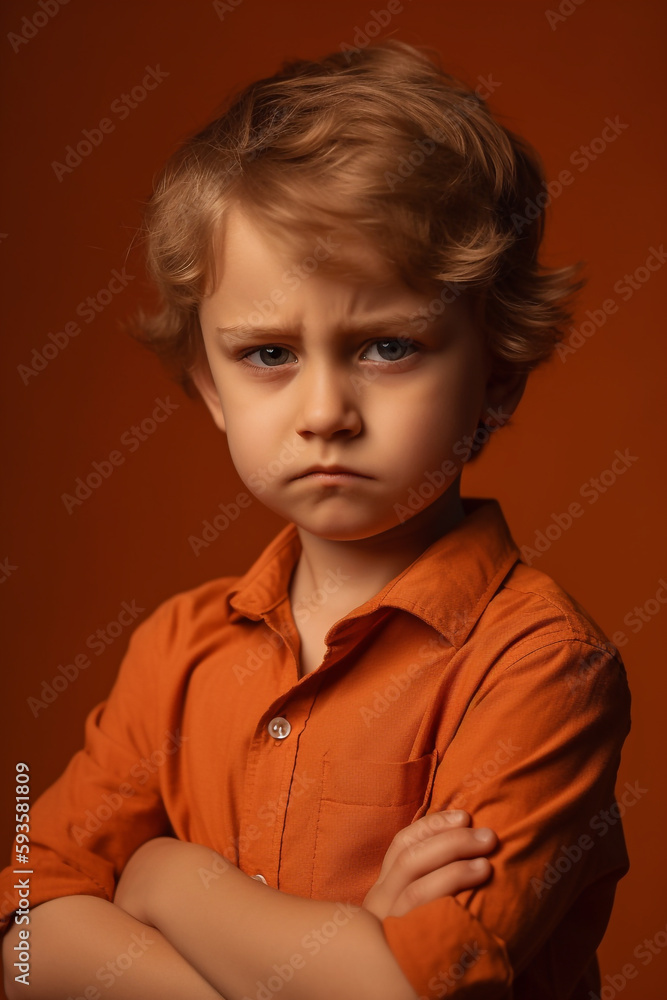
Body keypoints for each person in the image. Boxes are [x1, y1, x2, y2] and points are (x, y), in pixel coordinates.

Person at [1, 38, 631, 1000]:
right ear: (209, 386)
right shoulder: (175, 651)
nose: (324, 410)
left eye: (386, 345)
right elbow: (22, 940)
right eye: (266, 354)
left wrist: (168, 880)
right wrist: (320, 957)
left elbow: (409, 991)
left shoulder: (541, 665)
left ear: (495, 372)